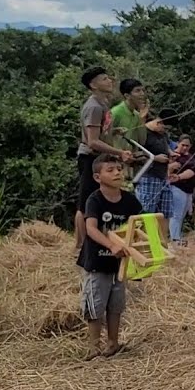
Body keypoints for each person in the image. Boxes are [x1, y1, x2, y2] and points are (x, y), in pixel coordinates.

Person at [76, 154, 141, 360]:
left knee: (116, 304)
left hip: (119, 263)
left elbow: (139, 225)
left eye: (119, 169)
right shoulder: (94, 200)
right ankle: (94, 346)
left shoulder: (130, 200)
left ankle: (113, 343)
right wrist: (111, 244)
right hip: (97, 262)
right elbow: (91, 228)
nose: (117, 173)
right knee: (96, 303)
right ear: (97, 177)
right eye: (110, 170)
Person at [75, 67, 132, 257]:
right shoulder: (93, 107)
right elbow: (92, 141)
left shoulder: (104, 104)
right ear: (93, 85)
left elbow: (100, 132)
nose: (110, 81)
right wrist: (119, 152)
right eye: (104, 79)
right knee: (85, 204)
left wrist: (114, 132)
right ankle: (81, 247)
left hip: (98, 157)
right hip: (90, 158)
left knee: (95, 199)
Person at [134, 111, 176, 224]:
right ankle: (146, 234)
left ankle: (162, 235)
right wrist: (155, 158)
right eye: (165, 128)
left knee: (166, 211)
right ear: (158, 123)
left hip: (162, 175)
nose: (165, 131)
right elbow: (135, 153)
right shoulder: (143, 133)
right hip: (148, 175)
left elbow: (166, 145)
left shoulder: (162, 134)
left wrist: (171, 153)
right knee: (148, 210)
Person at [168, 135, 195, 246]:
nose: (184, 148)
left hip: (188, 189)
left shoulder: (190, 157)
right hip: (177, 187)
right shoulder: (173, 156)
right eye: (182, 145)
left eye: (187, 146)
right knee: (176, 214)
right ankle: (174, 238)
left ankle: (177, 237)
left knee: (182, 215)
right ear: (178, 143)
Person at [109, 78, 149, 151]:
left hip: (130, 155)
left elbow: (142, 141)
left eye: (143, 90)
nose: (142, 94)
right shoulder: (115, 112)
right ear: (127, 95)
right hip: (116, 155)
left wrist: (142, 118)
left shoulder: (137, 115)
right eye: (137, 91)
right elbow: (104, 135)